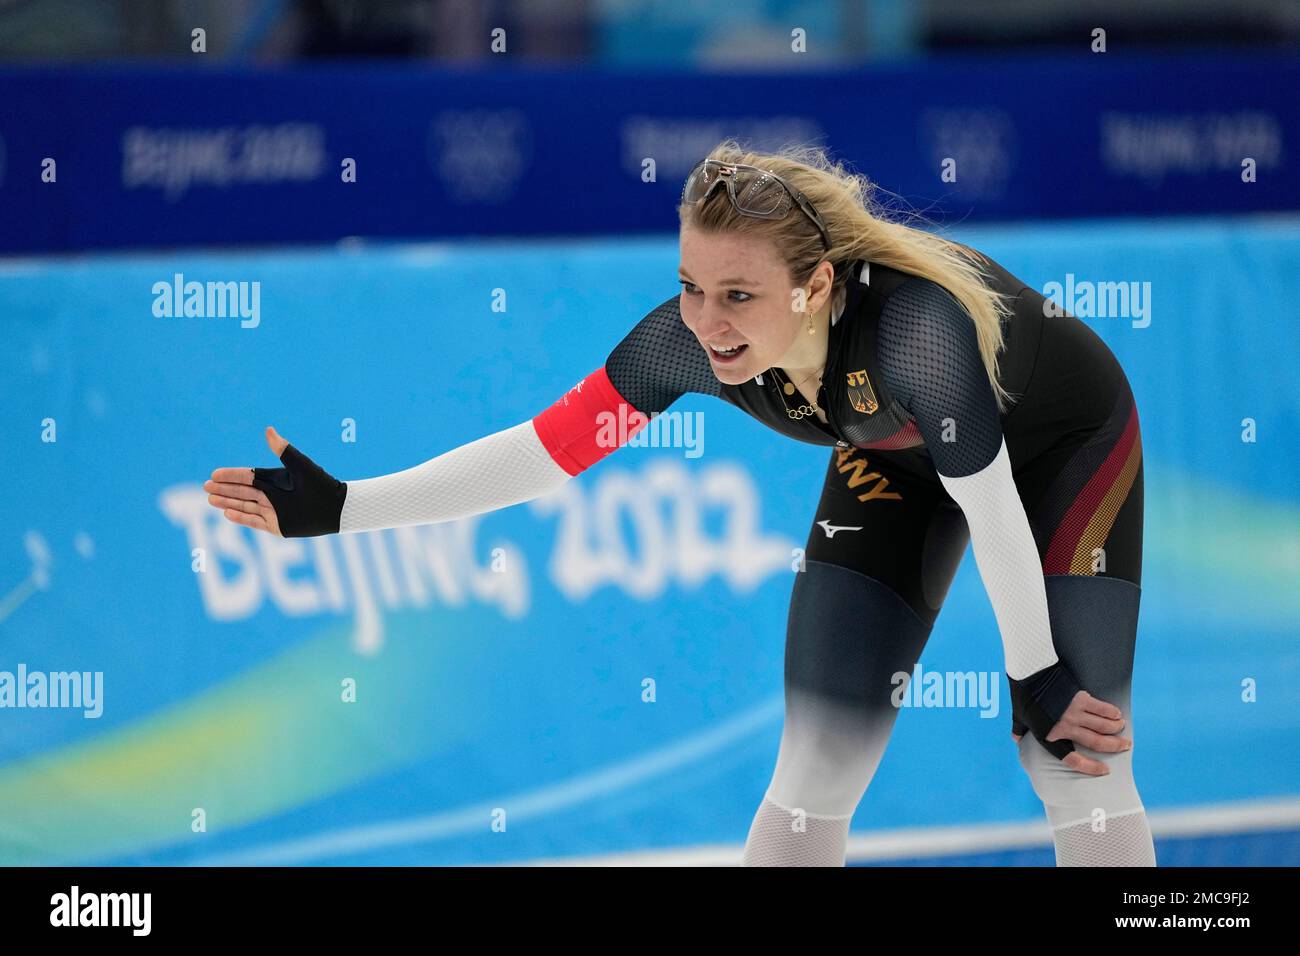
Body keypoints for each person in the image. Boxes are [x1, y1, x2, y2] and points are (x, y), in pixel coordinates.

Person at [205, 141, 1155, 867]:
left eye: (738, 295)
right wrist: (344, 508)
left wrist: (1036, 676)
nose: (707, 322)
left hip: (1058, 453)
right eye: (691, 287)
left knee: (1068, 752)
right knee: (815, 766)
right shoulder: (687, 345)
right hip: (898, 464)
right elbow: (544, 455)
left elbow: (992, 510)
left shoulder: (916, 335)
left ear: (816, 286)